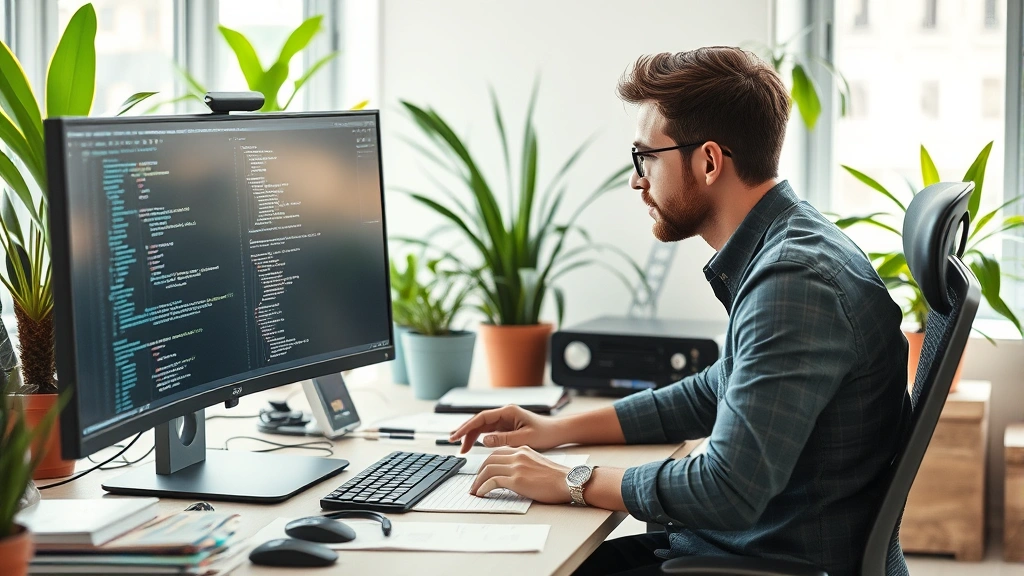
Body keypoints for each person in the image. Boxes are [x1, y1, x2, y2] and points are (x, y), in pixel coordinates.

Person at [448, 46, 910, 576]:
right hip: (748, 548)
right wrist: (555, 429)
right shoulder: (792, 244)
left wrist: (569, 478)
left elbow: (729, 488)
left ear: (709, 161)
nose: (637, 180)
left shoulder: (793, 281)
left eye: (647, 157)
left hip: (765, 561)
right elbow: (717, 387)